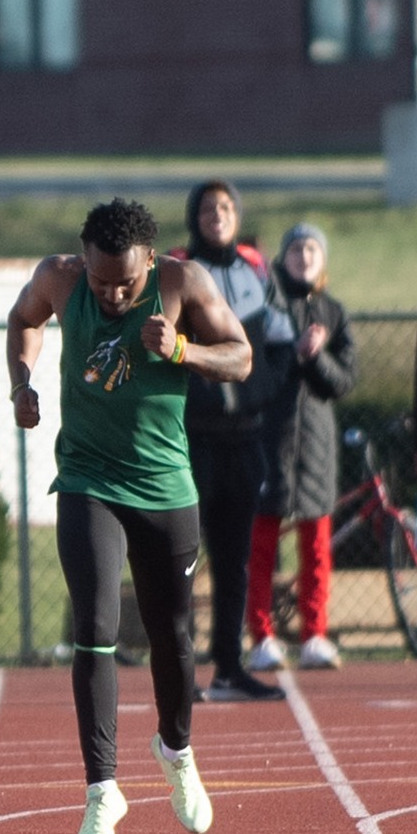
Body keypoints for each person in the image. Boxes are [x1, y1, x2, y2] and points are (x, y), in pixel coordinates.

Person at [6, 198, 250, 834]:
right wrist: (20, 383)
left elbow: (242, 357)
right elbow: (21, 320)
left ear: (151, 261)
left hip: (166, 488)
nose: (112, 294)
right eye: (101, 280)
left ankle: (176, 752)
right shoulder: (59, 278)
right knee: (95, 623)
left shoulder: (181, 284)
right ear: (82, 262)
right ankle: (102, 789)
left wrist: (184, 349)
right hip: (89, 480)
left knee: (172, 632)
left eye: (126, 282)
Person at [168, 180, 288, 696]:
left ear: (237, 216)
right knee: (184, 557)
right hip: (195, 439)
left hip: (246, 438)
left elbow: (282, 343)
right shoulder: (177, 273)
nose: (217, 215)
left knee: (234, 558)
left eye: (226, 207)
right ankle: (179, 669)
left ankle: (228, 666)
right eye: (208, 208)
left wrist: (260, 389)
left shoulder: (254, 273)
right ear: (194, 216)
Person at [246, 223, 358, 675]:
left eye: (311, 249)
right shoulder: (266, 307)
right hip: (269, 438)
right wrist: (294, 351)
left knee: (316, 546)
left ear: (322, 258)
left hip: (316, 441)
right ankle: (261, 636)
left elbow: (343, 381)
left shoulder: (333, 311)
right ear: (283, 257)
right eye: (295, 248)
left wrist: (318, 356)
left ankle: (315, 634)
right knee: (262, 544)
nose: (303, 256)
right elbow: (256, 369)